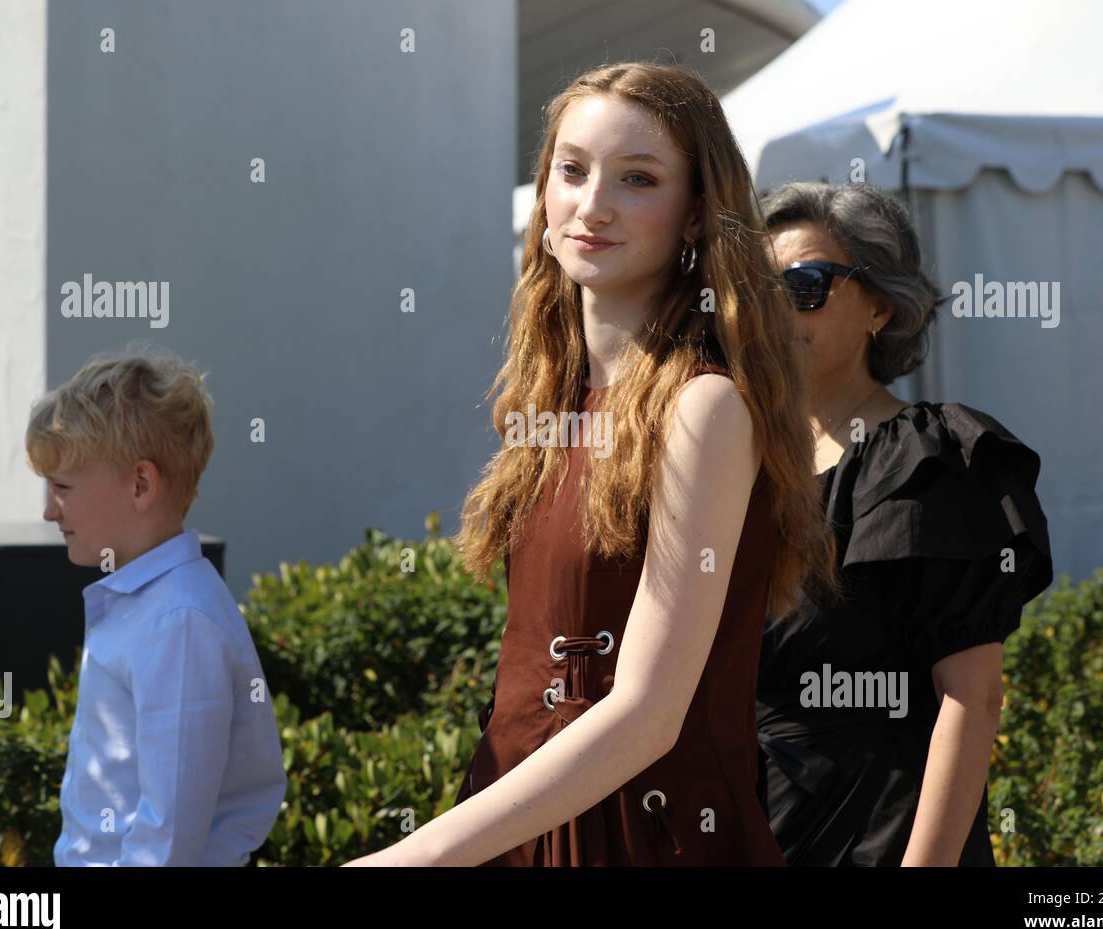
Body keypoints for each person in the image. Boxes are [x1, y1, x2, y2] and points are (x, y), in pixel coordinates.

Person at [343, 61, 837, 866]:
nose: (592, 204)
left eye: (637, 179)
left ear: (695, 216)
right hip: (524, 815)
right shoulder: (554, 399)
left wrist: (410, 858)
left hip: (647, 832)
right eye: (571, 170)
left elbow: (647, 712)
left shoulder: (702, 406)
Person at [757, 181, 1053, 865]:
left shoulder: (928, 461)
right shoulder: (736, 462)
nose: (774, 309)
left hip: (881, 836)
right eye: (756, 287)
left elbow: (971, 701)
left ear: (881, 307)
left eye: (804, 284)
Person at [25, 344, 286, 865]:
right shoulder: (148, 605)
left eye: (62, 487)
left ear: (141, 484)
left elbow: (170, 834)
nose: (50, 510)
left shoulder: (177, 622)